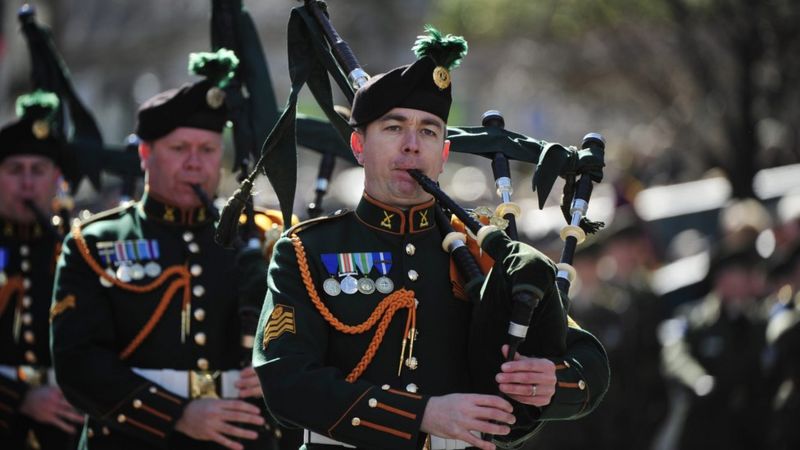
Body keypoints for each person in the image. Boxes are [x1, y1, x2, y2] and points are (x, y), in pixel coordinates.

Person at [253, 27, 609, 450]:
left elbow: (588, 363)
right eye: (393, 128)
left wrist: (551, 381)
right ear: (358, 146)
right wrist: (421, 415)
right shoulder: (306, 251)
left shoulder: (484, 247)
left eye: (428, 131)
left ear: (443, 153)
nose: (411, 146)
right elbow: (285, 380)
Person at [50, 52, 288, 450]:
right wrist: (176, 414)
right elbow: (79, 364)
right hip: (131, 437)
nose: (195, 164)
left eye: (208, 150)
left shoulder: (264, 237)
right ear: (145, 154)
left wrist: (278, 371)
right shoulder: (95, 242)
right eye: (179, 149)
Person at [0, 92, 83, 449]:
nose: (28, 183)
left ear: (56, 178)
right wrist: (19, 397)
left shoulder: (79, 249)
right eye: (15, 170)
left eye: (38, 170)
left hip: (67, 425)